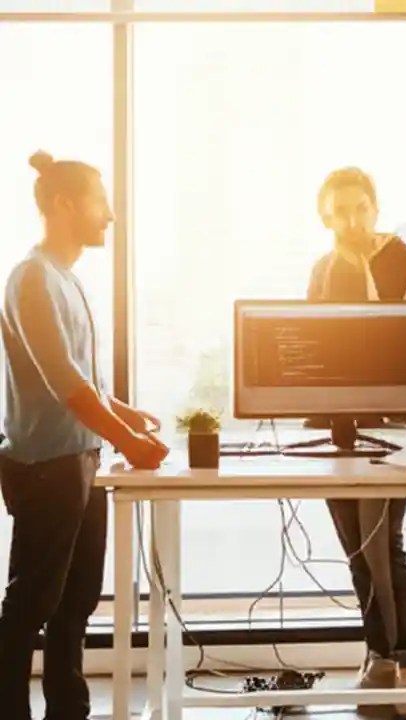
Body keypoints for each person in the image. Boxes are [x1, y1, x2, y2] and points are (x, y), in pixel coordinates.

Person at [0, 151, 170, 720]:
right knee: (31, 602)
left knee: (75, 603)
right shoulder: (32, 279)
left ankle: (68, 710)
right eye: (100, 202)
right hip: (48, 466)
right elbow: (63, 380)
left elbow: (87, 382)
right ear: (63, 204)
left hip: (82, 461)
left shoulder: (65, 280)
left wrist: (127, 415)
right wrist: (129, 441)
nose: (110, 216)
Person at [306, 167, 406, 717]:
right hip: (332, 429)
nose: (350, 219)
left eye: (359, 207)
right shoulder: (322, 270)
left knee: (383, 545)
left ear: (375, 207)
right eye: (339, 210)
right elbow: (312, 349)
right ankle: (379, 654)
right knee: (355, 549)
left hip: (391, 430)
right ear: (325, 215)